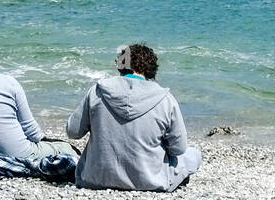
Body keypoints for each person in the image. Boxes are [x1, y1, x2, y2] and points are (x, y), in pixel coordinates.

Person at [66, 43, 200, 192]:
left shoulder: (98, 91)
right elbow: (178, 148)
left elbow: (73, 132)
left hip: (95, 178)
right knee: (193, 155)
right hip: (150, 181)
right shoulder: (165, 99)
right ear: (151, 69)